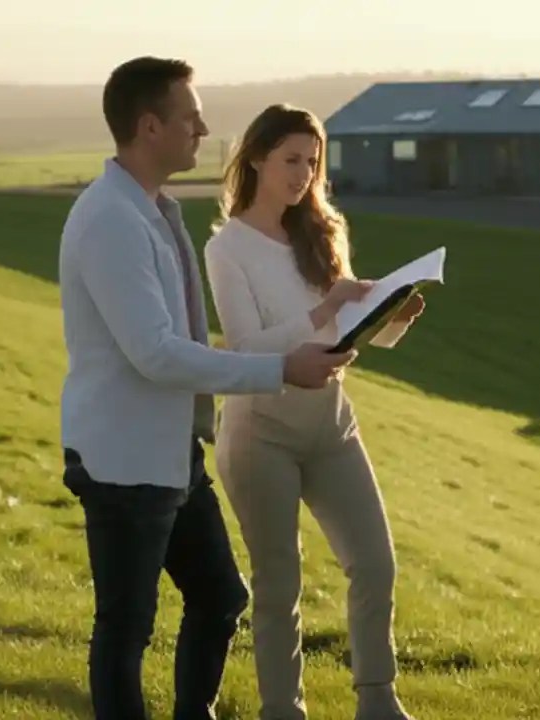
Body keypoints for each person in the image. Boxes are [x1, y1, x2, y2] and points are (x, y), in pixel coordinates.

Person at [57, 58, 355, 720]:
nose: (204, 129)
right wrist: (279, 370)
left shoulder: (155, 210)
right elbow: (157, 355)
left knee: (220, 596)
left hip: (171, 456)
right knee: (126, 631)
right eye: (190, 118)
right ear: (150, 125)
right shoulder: (111, 221)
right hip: (124, 461)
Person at [203, 104, 425, 720]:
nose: (304, 174)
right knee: (279, 586)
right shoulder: (228, 251)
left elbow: (348, 323)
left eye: (313, 161)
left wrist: (390, 314)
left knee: (375, 564)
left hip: (331, 425)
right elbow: (244, 349)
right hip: (260, 433)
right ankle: (283, 709)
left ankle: (378, 701)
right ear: (255, 160)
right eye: (291, 160)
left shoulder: (323, 229)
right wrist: (327, 309)